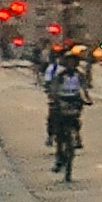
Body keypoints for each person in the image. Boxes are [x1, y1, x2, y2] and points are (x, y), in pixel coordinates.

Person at [42, 44, 90, 181]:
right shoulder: (60, 75)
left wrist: (86, 99)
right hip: (61, 100)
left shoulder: (79, 75)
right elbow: (54, 88)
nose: (71, 65)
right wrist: (54, 97)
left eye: (73, 62)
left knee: (75, 120)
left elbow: (84, 88)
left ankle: (76, 136)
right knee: (58, 127)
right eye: (68, 62)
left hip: (74, 100)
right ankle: (58, 154)